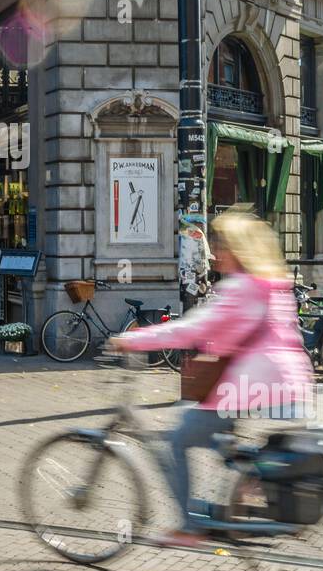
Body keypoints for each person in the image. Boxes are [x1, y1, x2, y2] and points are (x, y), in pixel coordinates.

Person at [110, 212, 312, 547]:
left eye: (220, 246)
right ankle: (246, 484)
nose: (214, 253)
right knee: (223, 442)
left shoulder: (240, 288)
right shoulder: (272, 284)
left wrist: (132, 340)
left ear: (238, 250)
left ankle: (191, 526)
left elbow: (192, 328)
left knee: (178, 439)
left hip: (251, 383)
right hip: (286, 378)